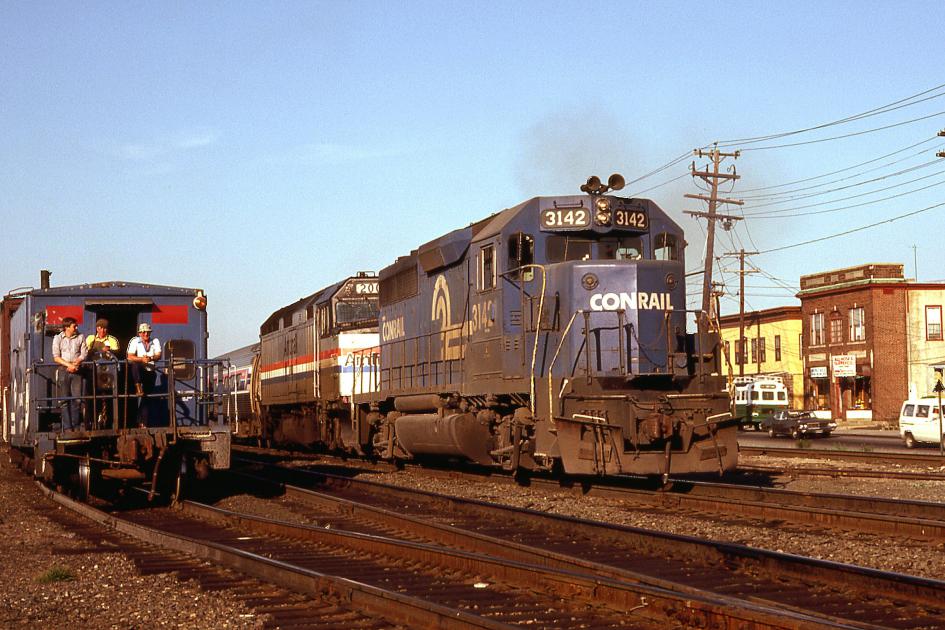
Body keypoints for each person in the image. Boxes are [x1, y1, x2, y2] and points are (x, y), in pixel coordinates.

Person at [52, 317, 88, 430]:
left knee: (77, 399)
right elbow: (56, 357)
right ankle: (67, 427)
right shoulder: (58, 338)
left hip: (77, 370)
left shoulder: (81, 337)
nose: (76, 328)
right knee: (64, 400)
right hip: (64, 370)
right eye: (74, 326)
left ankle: (76, 426)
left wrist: (76, 363)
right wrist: (69, 365)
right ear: (67, 327)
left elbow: (84, 353)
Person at [85, 318, 119, 427]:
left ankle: (109, 422)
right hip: (93, 371)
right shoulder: (90, 339)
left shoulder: (113, 340)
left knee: (109, 398)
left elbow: (117, 352)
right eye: (100, 328)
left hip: (108, 374)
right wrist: (99, 347)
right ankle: (91, 421)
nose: (102, 330)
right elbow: (86, 351)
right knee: (91, 396)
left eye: (105, 328)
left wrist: (109, 350)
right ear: (97, 328)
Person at [127, 322, 161, 398]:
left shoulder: (155, 341)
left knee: (147, 399)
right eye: (143, 332)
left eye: (148, 332)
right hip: (140, 372)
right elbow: (129, 356)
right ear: (139, 333)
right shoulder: (134, 341)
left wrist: (150, 358)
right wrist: (142, 359)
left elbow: (158, 355)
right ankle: (138, 388)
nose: (146, 334)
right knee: (135, 364)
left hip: (151, 373)